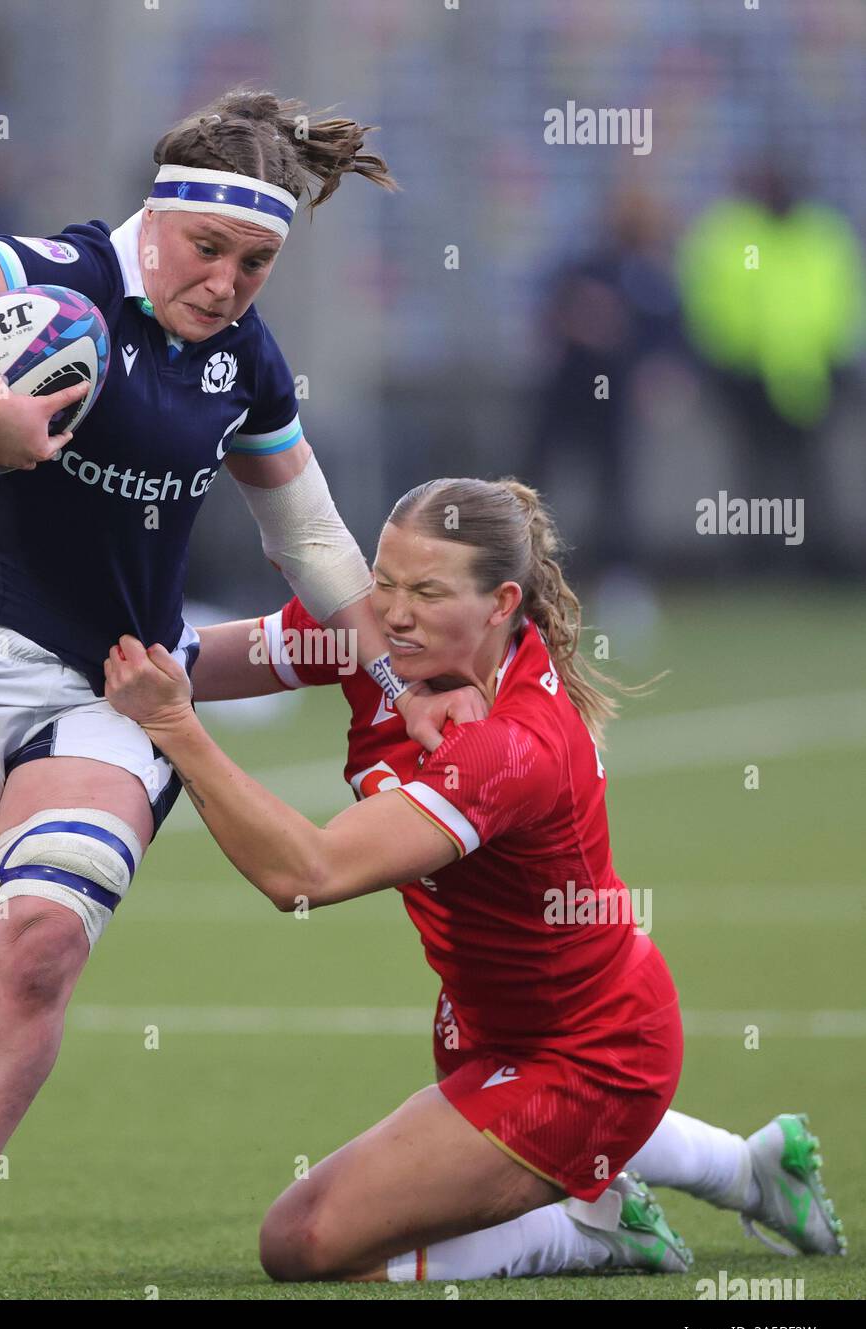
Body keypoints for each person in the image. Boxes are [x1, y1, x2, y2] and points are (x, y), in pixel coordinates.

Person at [0, 88, 479, 1301]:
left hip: (116, 687)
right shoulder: (67, 275)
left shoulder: (244, 359)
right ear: (160, 219)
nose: (232, 281)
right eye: (212, 250)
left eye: (258, 262)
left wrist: (404, 684)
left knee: (39, 940)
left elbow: (310, 540)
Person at [105, 476, 846, 1282]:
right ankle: (750, 1168)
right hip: (484, 1019)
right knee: (439, 1152)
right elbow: (190, 660)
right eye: (383, 581)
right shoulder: (386, 639)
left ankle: (591, 1236)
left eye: (425, 591)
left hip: (590, 1052)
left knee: (305, 1242)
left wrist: (173, 725)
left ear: (498, 604)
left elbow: (303, 875)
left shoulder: (513, 745)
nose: (391, 611)